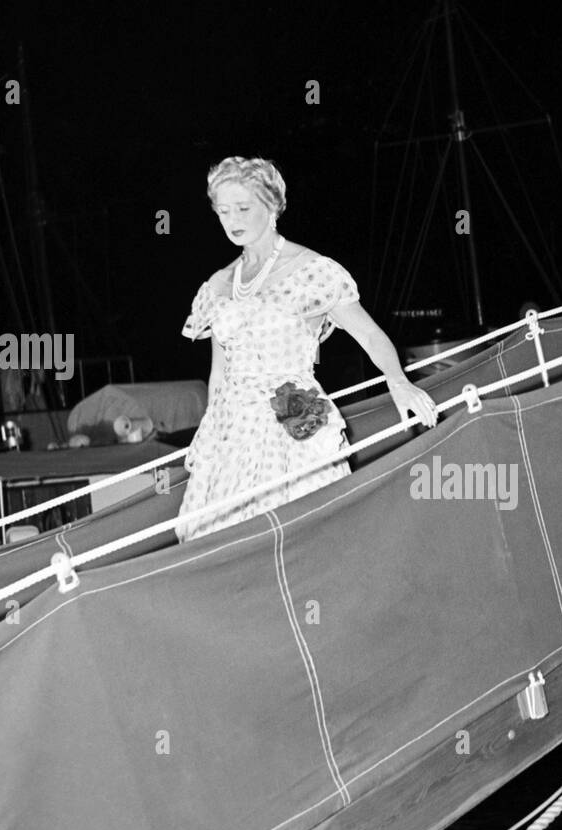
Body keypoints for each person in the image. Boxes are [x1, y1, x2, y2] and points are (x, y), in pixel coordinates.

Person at [176, 157, 437, 542]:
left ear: (271, 206)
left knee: (308, 526)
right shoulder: (218, 284)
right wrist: (211, 432)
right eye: (224, 210)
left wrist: (399, 381)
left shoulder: (311, 271)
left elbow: (369, 335)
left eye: (244, 208)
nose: (234, 219)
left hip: (294, 402)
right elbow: (219, 373)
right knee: (219, 535)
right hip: (232, 421)